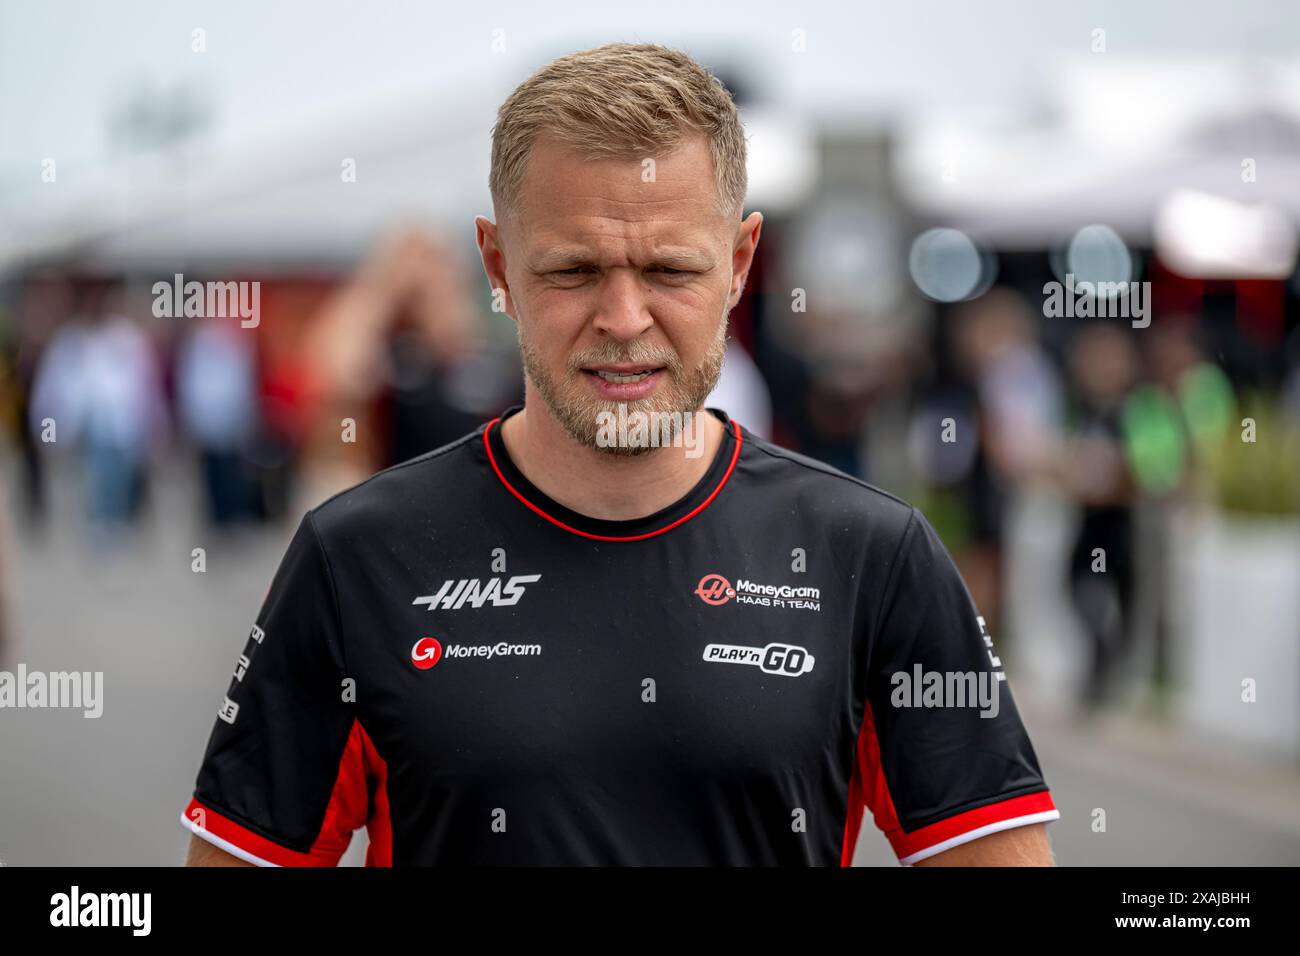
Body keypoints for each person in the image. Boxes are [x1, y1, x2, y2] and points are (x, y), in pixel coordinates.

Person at [181, 42, 1058, 867]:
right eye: (573, 272)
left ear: (742, 261)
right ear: (497, 263)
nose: (625, 321)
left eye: (671, 271)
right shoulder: (356, 559)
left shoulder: (873, 557)